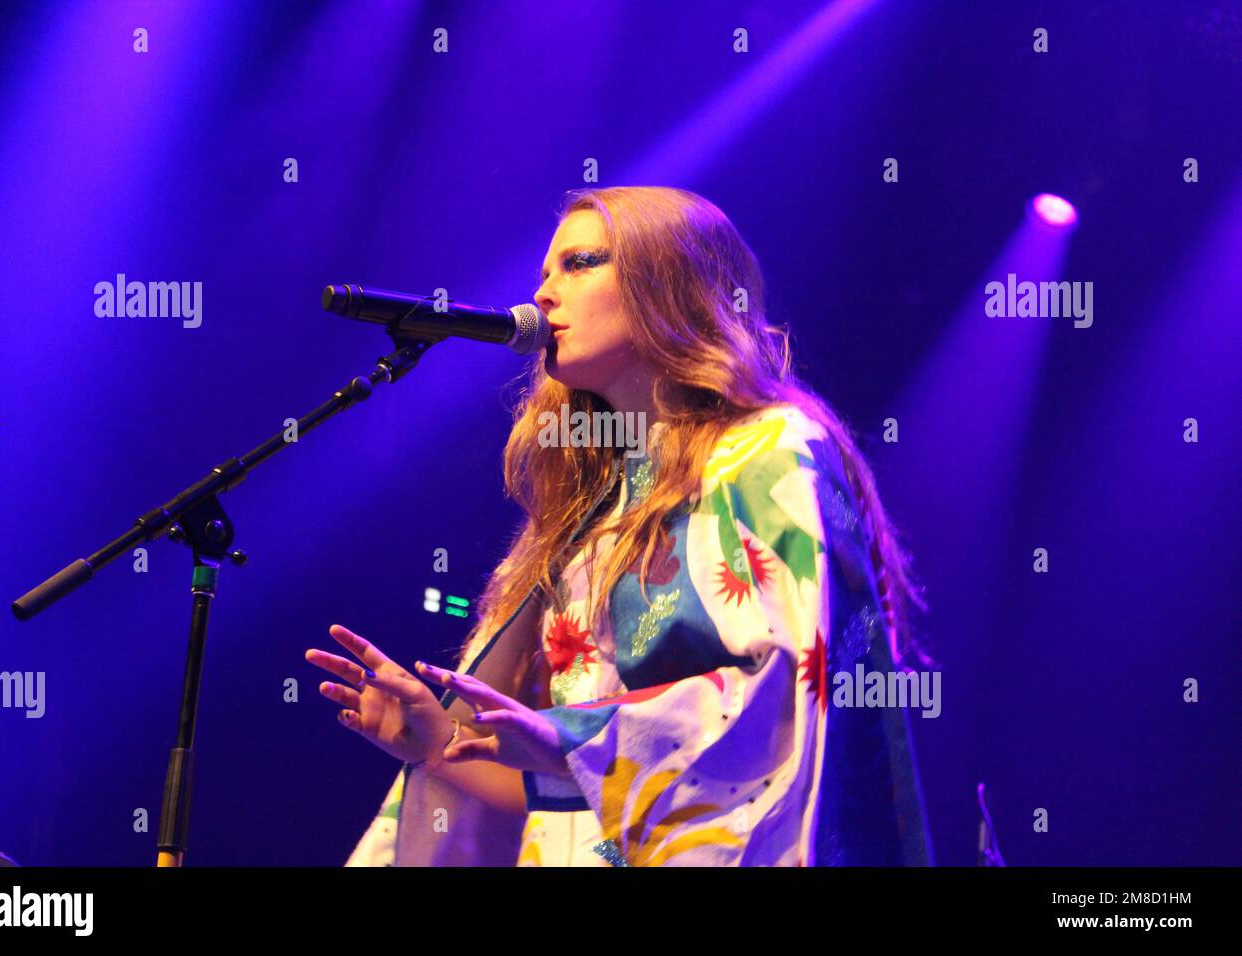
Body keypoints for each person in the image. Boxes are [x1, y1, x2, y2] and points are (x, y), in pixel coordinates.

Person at [305, 185, 933, 866]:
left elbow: (782, 693)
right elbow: (575, 789)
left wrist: (577, 736)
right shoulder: (587, 517)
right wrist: (437, 741)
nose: (543, 295)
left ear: (668, 282)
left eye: (579, 264)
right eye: (544, 273)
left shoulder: (771, 448)